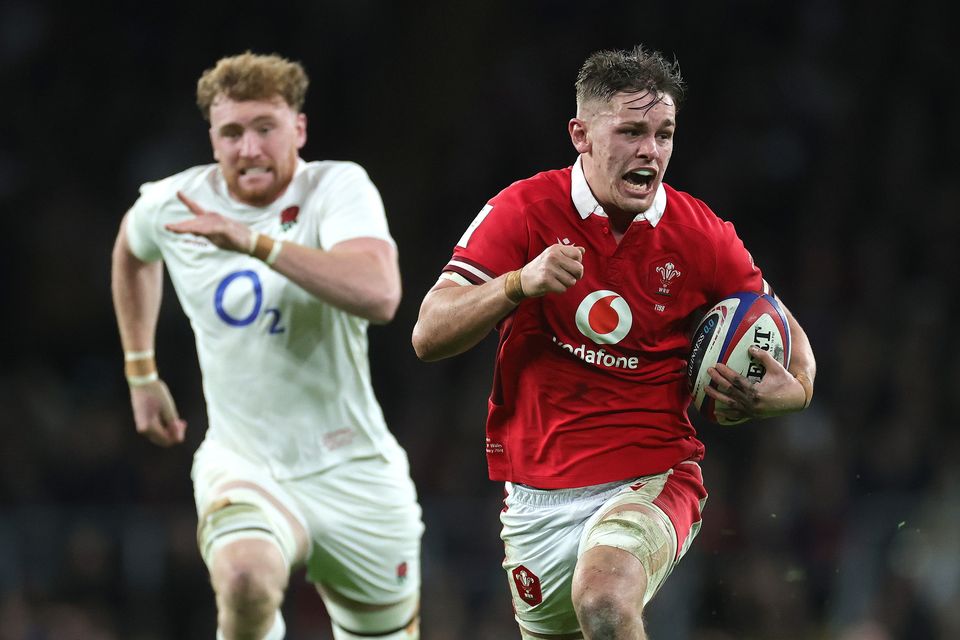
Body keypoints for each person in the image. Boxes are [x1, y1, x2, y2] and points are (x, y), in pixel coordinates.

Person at [412, 45, 816, 639]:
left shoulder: (701, 234)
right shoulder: (523, 210)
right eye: (631, 131)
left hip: (654, 476)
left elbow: (785, 330)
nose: (650, 152)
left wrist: (797, 392)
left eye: (664, 134)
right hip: (535, 501)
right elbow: (428, 333)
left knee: (604, 600)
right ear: (581, 134)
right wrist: (518, 284)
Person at [111, 52, 423, 640]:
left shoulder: (336, 186)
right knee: (246, 582)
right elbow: (131, 250)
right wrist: (140, 371)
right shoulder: (175, 205)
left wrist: (253, 242)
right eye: (232, 132)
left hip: (354, 468)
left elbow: (380, 294)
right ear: (212, 138)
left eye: (265, 128)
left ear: (298, 130)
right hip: (245, 462)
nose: (249, 148)